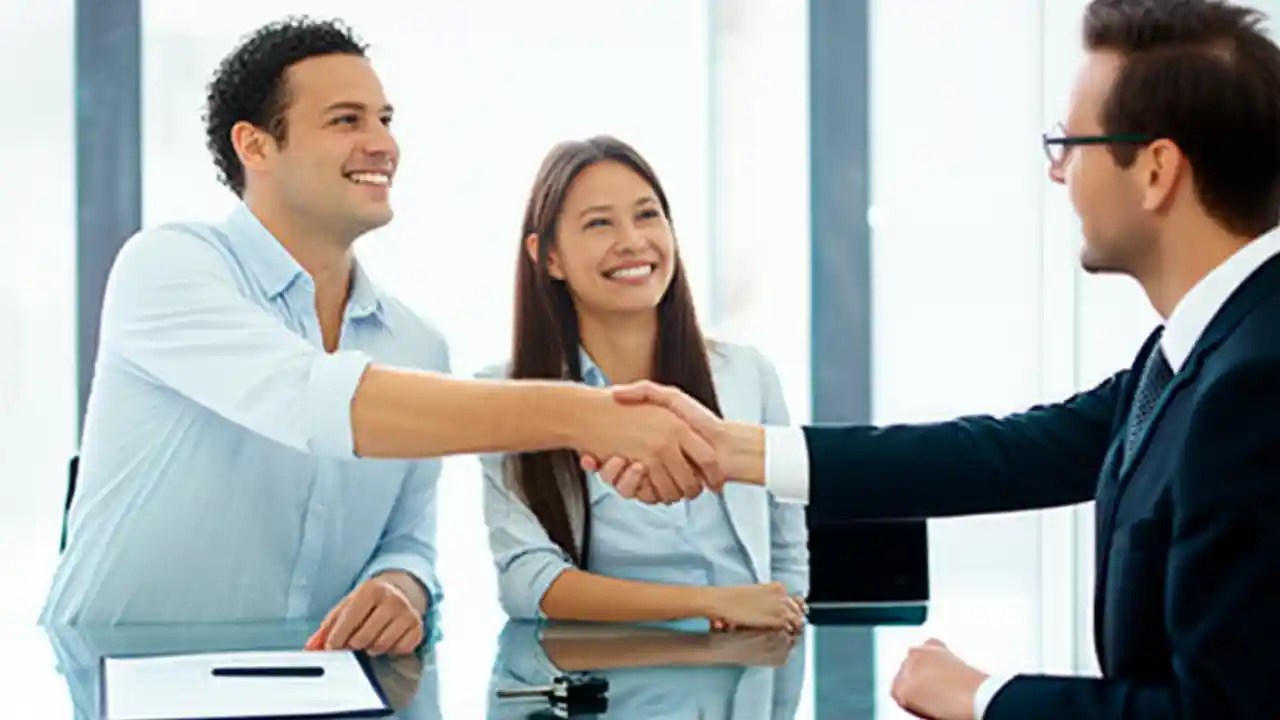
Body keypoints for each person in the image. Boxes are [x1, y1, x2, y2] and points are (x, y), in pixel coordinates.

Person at [590, 0, 1280, 718]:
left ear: (1157, 170)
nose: (1058, 173)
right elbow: (1002, 455)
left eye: (1071, 144)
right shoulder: (1203, 350)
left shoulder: (1255, 384)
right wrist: (727, 449)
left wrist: (982, 696)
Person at [41, 17, 721, 655]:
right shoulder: (168, 268)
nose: (382, 145)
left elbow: (407, 543)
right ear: (255, 145)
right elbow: (314, 400)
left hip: (322, 691)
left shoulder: (416, 346)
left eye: (385, 120)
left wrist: (401, 586)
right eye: (346, 120)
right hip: (120, 679)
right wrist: (587, 414)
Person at [479, 137, 808, 632]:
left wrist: (777, 627)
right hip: (604, 667)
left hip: (747, 662)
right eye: (599, 223)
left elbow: (788, 553)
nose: (632, 240)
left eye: (647, 215)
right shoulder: (510, 395)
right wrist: (708, 603)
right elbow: (526, 582)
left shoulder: (746, 373)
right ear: (548, 257)